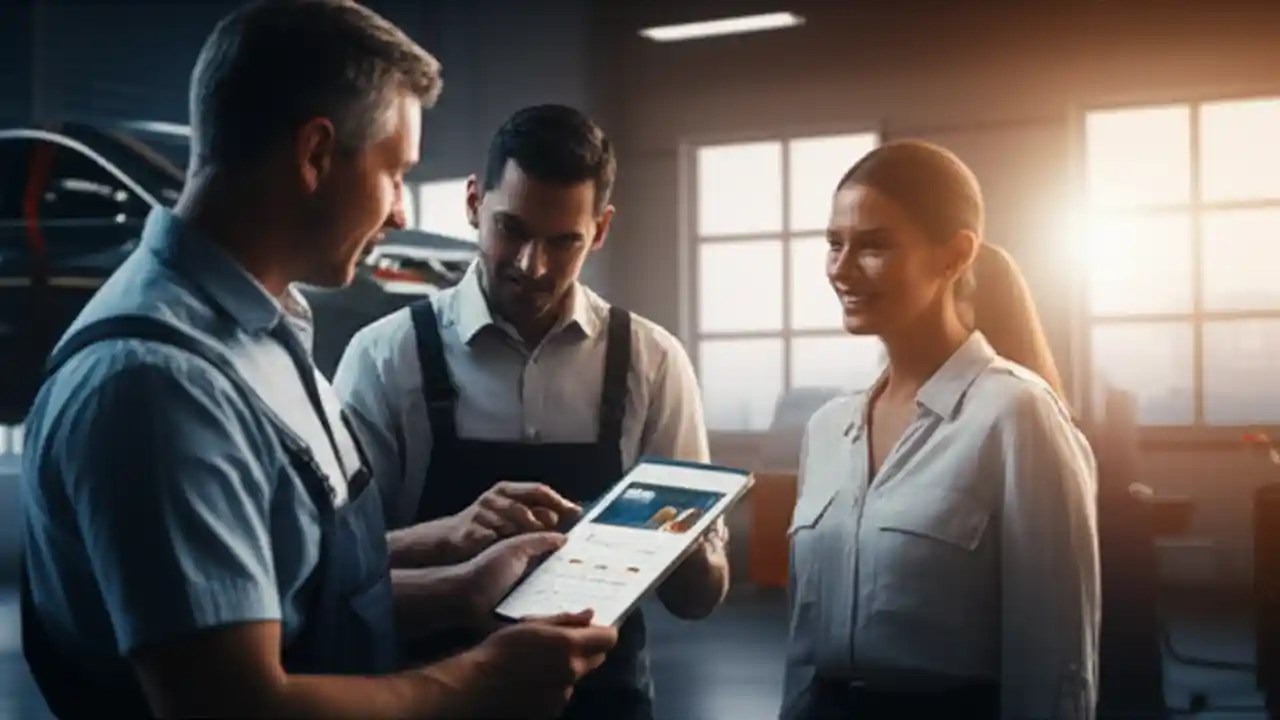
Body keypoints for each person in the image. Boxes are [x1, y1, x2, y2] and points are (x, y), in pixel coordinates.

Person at [19, 2, 616, 718]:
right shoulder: (157, 387)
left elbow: (289, 593)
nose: (400, 212)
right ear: (315, 155)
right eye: (396, 173)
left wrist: (462, 583)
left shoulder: (265, 337)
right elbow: (233, 703)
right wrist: (479, 682)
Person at [334, 103, 729, 720]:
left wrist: (689, 550)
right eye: (511, 229)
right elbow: (336, 572)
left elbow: (700, 599)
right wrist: (449, 539)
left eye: (562, 240)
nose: (531, 265)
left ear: (600, 230)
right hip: (431, 701)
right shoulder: (386, 358)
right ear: (473, 203)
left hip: (606, 703)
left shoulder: (651, 362)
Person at [780, 140, 1100, 720]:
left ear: (954, 256)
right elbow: (804, 652)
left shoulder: (1016, 415)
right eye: (834, 243)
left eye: (873, 246)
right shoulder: (828, 429)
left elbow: (1056, 661)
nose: (842, 269)